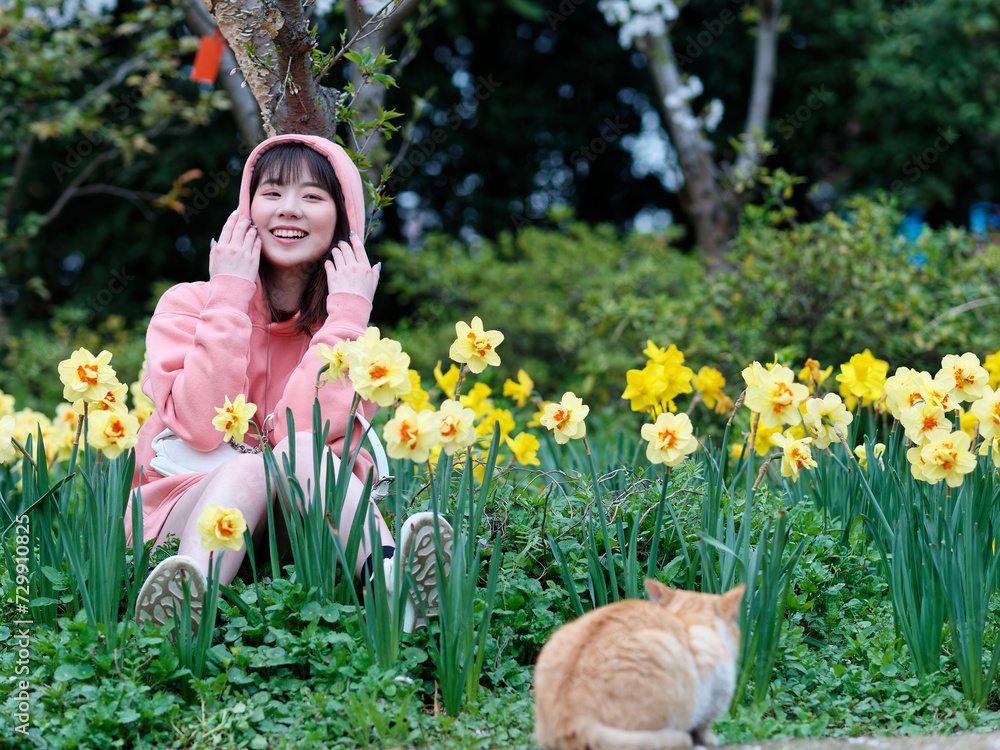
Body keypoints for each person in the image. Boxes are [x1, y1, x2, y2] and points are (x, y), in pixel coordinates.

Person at [126, 134, 451, 635]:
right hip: (182, 508)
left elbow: (306, 442)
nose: (289, 210)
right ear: (246, 209)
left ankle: (389, 583)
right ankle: (186, 608)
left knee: (296, 451)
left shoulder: (348, 330)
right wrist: (230, 297)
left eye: (313, 197)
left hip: (294, 523)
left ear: (343, 220)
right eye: (272, 193)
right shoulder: (190, 304)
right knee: (251, 473)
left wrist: (346, 321)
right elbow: (198, 425)